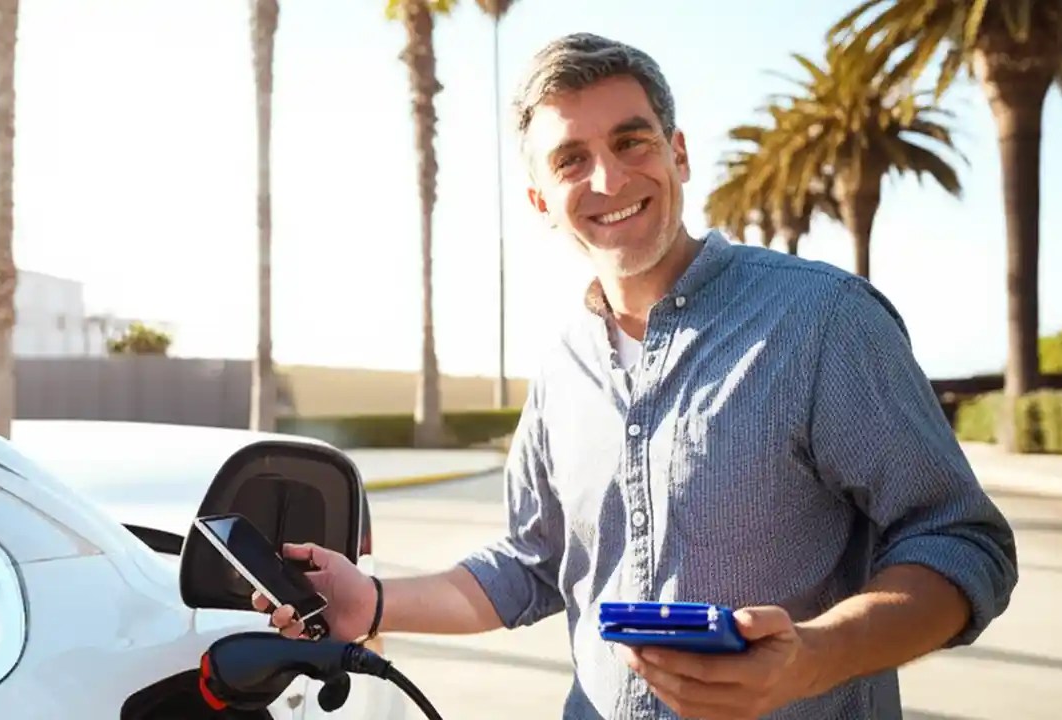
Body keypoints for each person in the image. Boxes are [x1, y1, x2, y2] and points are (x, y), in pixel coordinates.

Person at [259, 32, 1019, 720]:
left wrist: (812, 660)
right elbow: (533, 564)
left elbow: (961, 542)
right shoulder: (563, 366)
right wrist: (374, 602)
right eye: (571, 159)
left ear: (678, 153)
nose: (609, 178)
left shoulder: (824, 320)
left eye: (632, 141)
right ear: (541, 201)